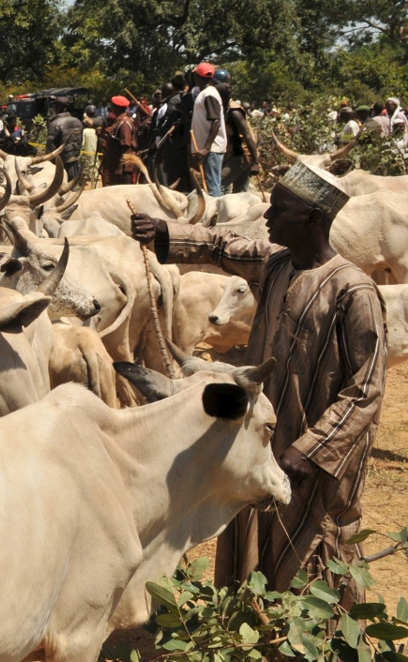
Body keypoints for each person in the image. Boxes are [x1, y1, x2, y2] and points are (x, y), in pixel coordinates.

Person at [131, 162, 385, 604]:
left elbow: (366, 390)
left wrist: (312, 450)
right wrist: (162, 231)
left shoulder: (354, 291)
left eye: (280, 209)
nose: (267, 215)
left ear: (310, 219)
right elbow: (219, 244)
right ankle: (254, 628)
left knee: (319, 544)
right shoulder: (276, 264)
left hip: (320, 458)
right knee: (253, 529)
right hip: (265, 438)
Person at [189, 62, 226, 197]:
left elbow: (215, 121)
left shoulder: (209, 94)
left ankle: (215, 216)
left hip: (211, 149)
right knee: (209, 185)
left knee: (212, 186)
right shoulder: (205, 93)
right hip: (207, 149)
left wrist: (206, 147)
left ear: (197, 77)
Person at [219, 78, 259, 193]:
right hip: (234, 155)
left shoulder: (234, 111)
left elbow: (247, 135)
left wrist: (256, 162)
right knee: (241, 191)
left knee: (219, 184)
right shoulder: (224, 109)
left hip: (241, 155)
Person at [99, 96, 139, 186]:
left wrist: (120, 168)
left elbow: (126, 147)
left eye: (113, 106)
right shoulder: (118, 121)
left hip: (122, 169)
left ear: (117, 108)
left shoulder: (124, 124)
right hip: (113, 163)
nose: (111, 108)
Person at [44, 99, 85, 184]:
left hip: (61, 162)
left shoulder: (55, 123)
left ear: (57, 108)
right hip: (75, 158)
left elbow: (51, 146)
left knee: (61, 186)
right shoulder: (77, 121)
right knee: (73, 184)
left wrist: (49, 161)